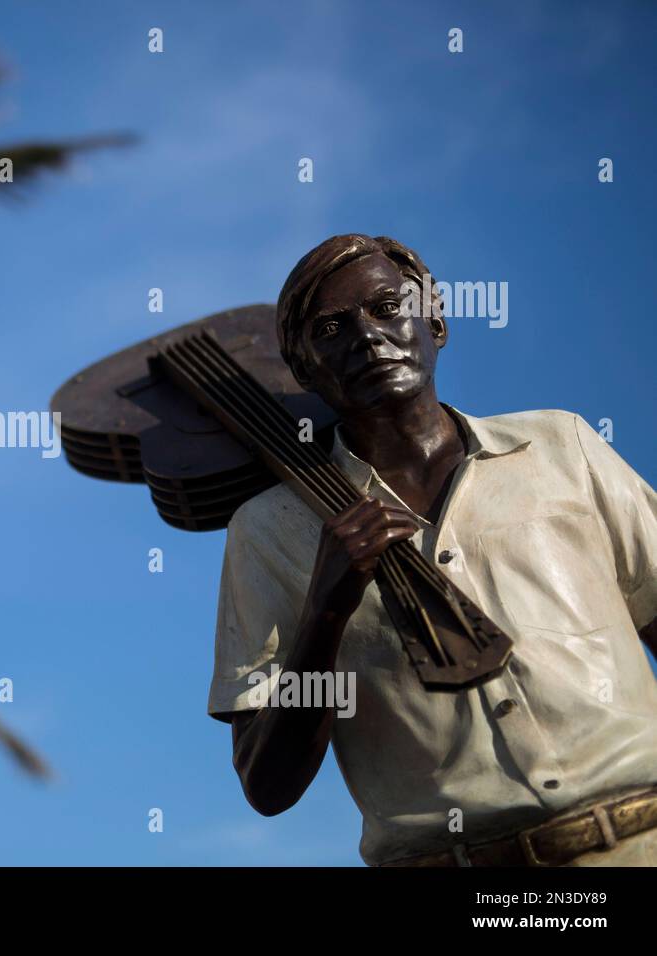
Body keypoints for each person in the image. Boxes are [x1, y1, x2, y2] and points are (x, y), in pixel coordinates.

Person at [210, 234, 657, 866]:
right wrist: (328, 608)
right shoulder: (268, 530)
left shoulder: (564, 447)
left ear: (435, 318)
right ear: (305, 369)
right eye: (332, 328)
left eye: (389, 307)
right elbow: (266, 784)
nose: (368, 336)